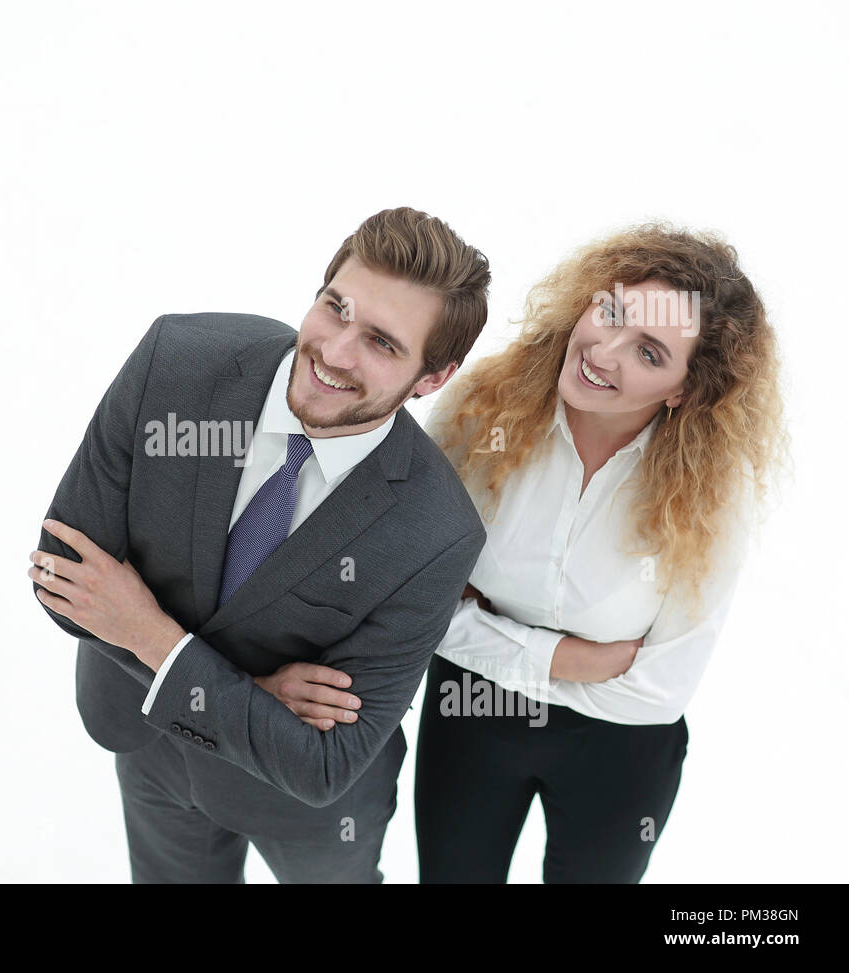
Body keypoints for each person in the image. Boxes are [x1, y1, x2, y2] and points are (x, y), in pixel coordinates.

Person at [265, 222, 787, 882]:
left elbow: (658, 691)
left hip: (621, 751)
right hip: (470, 717)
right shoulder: (486, 409)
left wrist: (481, 625)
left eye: (650, 353)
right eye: (612, 313)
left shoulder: (715, 486)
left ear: (684, 387)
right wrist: (571, 658)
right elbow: (407, 596)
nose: (606, 352)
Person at [28, 207, 490, 882]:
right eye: (336, 307)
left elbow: (322, 761)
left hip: (303, 814)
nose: (334, 352)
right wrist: (251, 692)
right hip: (144, 741)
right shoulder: (174, 363)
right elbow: (61, 579)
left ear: (432, 377)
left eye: (383, 344)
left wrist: (152, 636)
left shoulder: (436, 532)